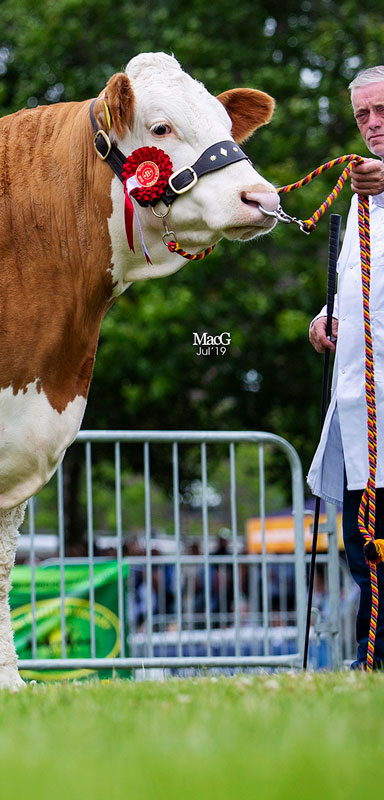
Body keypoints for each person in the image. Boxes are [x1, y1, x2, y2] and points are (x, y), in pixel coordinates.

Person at [307, 65, 384, 670]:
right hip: (360, 410)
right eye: (363, 115)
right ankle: (370, 660)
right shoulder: (363, 206)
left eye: (382, 111)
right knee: (365, 551)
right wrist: (324, 318)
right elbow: (362, 294)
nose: (373, 124)